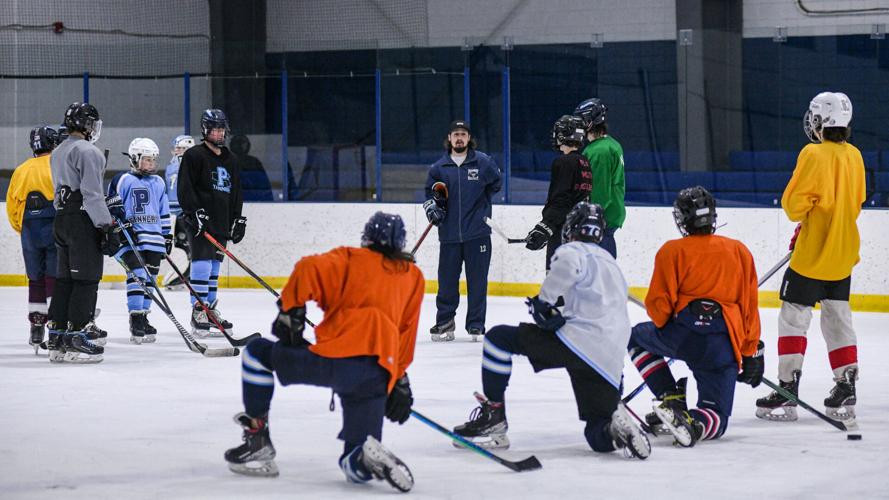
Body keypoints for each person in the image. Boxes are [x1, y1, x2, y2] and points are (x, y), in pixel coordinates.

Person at [224, 212, 423, 492]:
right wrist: (398, 380)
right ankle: (364, 460)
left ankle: (257, 439)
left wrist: (291, 310)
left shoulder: (351, 258)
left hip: (335, 361)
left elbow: (308, 268)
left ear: (366, 238)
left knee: (256, 354)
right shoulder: (413, 276)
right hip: (377, 374)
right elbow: (407, 334)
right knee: (353, 465)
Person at [454, 201, 650, 459]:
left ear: (572, 227)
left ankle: (494, 415)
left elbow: (564, 273)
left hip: (578, 342)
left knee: (497, 339)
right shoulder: (611, 263)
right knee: (596, 435)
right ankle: (613, 428)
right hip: (610, 360)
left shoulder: (572, 250)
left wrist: (544, 301)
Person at [756, 92, 866, 423]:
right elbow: (857, 200)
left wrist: (809, 220)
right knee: (838, 319)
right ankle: (845, 384)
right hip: (843, 254)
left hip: (812, 255)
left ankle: (787, 388)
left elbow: (793, 206)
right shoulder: (855, 155)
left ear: (820, 122)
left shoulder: (812, 153)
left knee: (793, 317)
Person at [628, 186, 762, 447]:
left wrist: (667, 327)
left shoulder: (672, 251)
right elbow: (749, 307)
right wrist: (751, 350)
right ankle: (695, 425)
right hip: (724, 344)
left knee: (635, 338)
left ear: (682, 219)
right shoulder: (739, 251)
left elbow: (659, 308)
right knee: (717, 417)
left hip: (682, 336)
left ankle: (670, 398)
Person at [46, 102, 119, 363]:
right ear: (88, 125)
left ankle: (56, 335)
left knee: (65, 279)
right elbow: (91, 196)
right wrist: (106, 225)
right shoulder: (89, 151)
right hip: (81, 220)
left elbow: (59, 194)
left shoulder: (58, 151)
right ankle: (76, 336)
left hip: (61, 218)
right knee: (86, 279)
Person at [423, 120, 502, 342]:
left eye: (463, 134)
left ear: (469, 139)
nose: (459, 138)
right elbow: (429, 196)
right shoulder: (439, 168)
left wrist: (482, 208)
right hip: (448, 235)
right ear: (449, 138)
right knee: (446, 282)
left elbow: (496, 184)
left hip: (478, 234)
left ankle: (476, 325)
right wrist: (433, 210)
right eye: (456, 134)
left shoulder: (483, 163)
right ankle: (445, 321)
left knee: (477, 282)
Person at [177, 109, 245, 337]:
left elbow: (236, 191)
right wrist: (195, 212)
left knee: (215, 266)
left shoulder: (231, 159)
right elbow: (185, 188)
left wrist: (238, 217)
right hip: (198, 220)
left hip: (221, 220)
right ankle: (198, 310)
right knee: (202, 263)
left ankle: (210, 309)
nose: (219, 133)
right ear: (205, 130)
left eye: (221, 129)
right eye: (215, 129)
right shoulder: (194, 155)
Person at [107, 138, 172, 344]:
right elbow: (112, 206)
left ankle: (143, 315)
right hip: (130, 237)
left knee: (150, 278)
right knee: (137, 274)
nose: (151, 164)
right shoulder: (123, 179)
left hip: (153, 237)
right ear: (135, 159)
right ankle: (135, 317)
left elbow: (164, 211)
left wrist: (167, 235)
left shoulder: (159, 182)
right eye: (147, 160)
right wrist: (121, 226)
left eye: (154, 160)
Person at [6, 126, 59, 350]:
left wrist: (23, 229)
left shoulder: (21, 170)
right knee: (53, 278)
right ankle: (56, 326)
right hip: (54, 227)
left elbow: (12, 206)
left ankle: (37, 325)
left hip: (29, 229)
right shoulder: (57, 166)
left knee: (35, 277)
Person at [524, 115, 592, 270]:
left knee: (557, 279)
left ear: (564, 134)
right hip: (579, 229)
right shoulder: (584, 161)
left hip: (563, 230)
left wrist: (545, 226)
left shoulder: (563, 162)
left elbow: (560, 199)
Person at [574, 98, 625, 259]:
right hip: (612, 212)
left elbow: (600, 190)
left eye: (581, 119)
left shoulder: (599, 151)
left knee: (600, 265)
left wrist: (590, 215)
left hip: (603, 217)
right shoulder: (610, 144)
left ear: (590, 122)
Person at [162, 135, 195, 289]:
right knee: (181, 245)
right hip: (174, 212)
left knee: (186, 245)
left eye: (182, 149)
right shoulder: (172, 166)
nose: (179, 152)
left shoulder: (183, 165)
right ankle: (185, 276)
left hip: (184, 211)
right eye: (177, 149)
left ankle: (188, 276)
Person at [230, 134, 273, 201]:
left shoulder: (254, 162)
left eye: (242, 143)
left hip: (253, 199)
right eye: (237, 143)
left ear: (248, 146)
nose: (240, 146)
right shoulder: (227, 162)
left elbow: (264, 187)